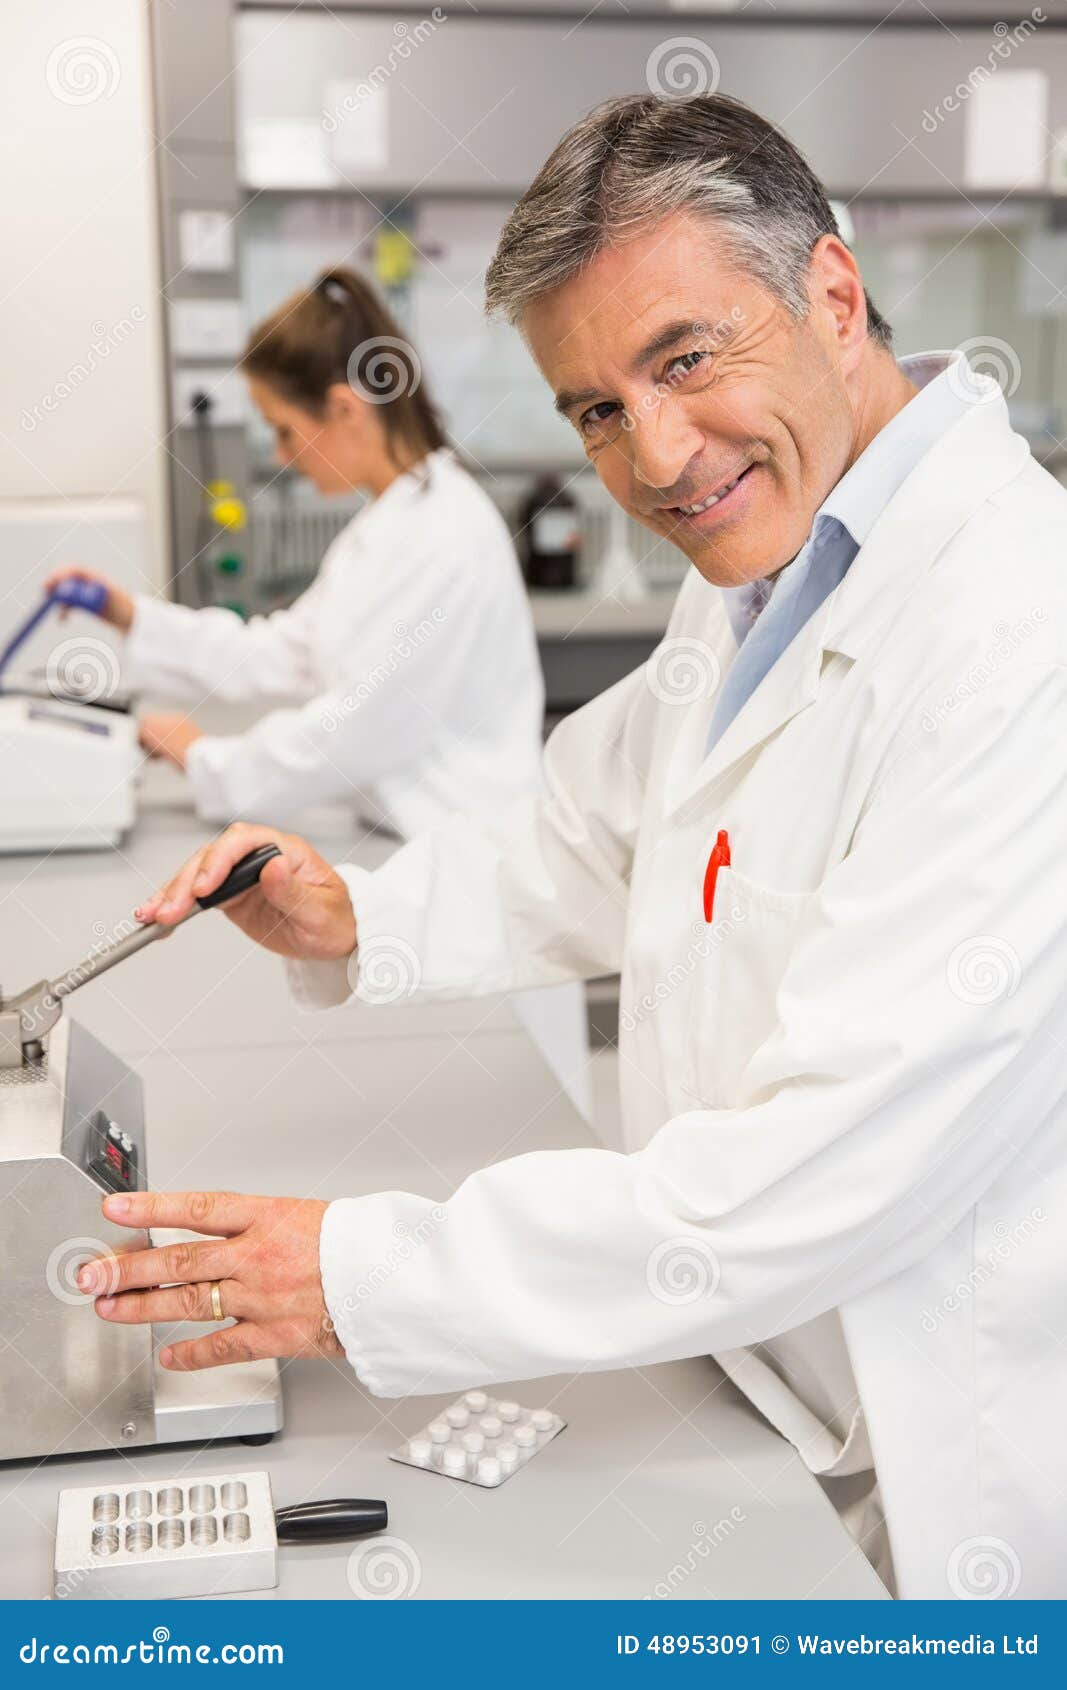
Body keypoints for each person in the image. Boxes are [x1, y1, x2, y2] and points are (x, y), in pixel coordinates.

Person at [76, 95, 1067, 1600]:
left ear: (832, 294)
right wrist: (365, 913)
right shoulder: (765, 555)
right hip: (738, 1376)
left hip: (922, 1472)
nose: (656, 454)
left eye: (683, 356)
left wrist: (353, 1272)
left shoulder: (1014, 631)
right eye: (595, 409)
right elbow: (585, 834)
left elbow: (810, 1176)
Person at [47, 267, 544, 840]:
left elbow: (357, 728)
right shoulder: (389, 523)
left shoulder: (444, 534)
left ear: (344, 408)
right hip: (405, 833)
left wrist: (208, 758)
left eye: (283, 430)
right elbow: (285, 651)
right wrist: (127, 614)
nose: (283, 455)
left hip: (467, 847)